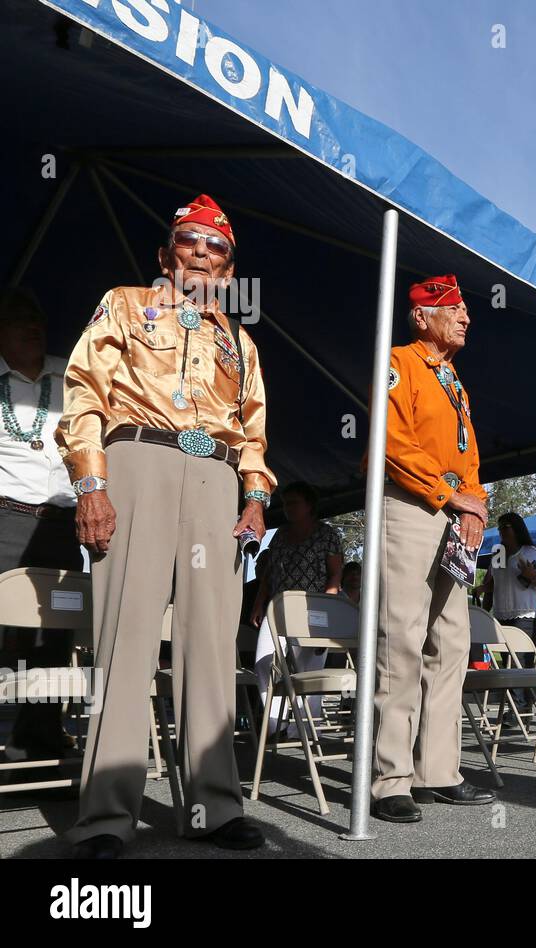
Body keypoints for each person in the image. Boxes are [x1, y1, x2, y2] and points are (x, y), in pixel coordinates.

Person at [57, 194, 274, 858]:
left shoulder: (241, 341)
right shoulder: (123, 303)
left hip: (215, 477)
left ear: (230, 271)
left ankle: (215, 805)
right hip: (137, 459)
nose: (202, 255)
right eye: (190, 243)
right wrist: (92, 485)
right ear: (165, 255)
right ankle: (105, 818)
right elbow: (85, 392)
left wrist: (256, 496)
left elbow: (256, 435)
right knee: (124, 640)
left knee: (211, 644)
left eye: (216, 249)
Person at [370, 274, 496, 824]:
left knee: (450, 642)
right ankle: (390, 777)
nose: (467, 317)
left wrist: (475, 506)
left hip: (452, 513)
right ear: (421, 316)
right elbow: (393, 443)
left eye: (467, 309)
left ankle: (438, 772)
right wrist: (452, 497)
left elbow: (470, 459)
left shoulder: (455, 382)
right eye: (454, 309)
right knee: (402, 637)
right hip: (412, 507)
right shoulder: (400, 361)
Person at [0, 289, 82, 764]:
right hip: (6, 518)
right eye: (18, 319)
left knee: (55, 632)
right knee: (7, 631)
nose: (32, 326)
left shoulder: (72, 373)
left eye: (37, 318)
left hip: (64, 524)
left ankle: (40, 738)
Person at [250, 481, 342, 738]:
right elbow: (269, 573)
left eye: (294, 503)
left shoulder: (327, 534)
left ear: (309, 505)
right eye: (286, 503)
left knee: (308, 670)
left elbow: (336, 574)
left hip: (313, 606)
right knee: (264, 662)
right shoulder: (279, 535)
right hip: (278, 606)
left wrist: (328, 608)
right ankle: (273, 723)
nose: (288, 508)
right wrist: (259, 602)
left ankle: (304, 728)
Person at [480, 512, 536, 642]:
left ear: (517, 528)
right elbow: (495, 583)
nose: (501, 531)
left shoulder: (529, 551)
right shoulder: (498, 553)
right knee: (507, 661)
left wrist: (533, 577)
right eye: (499, 528)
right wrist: (481, 589)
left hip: (524, 616)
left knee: (521, 661)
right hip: (500, 616)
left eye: (505, 527)